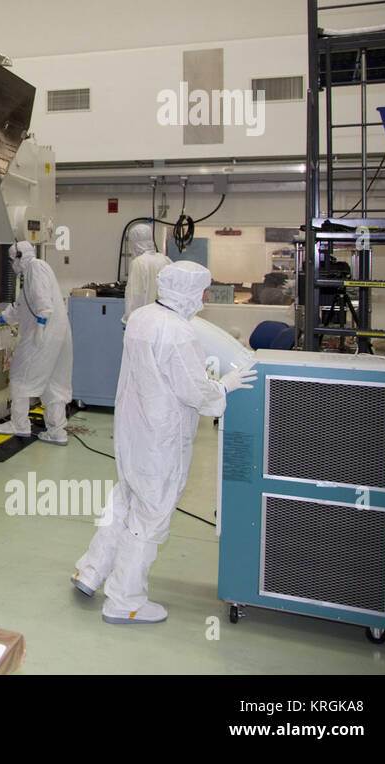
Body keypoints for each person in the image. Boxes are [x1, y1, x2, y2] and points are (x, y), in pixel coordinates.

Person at [72, 261, 256, 623]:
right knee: (151, 516)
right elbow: (194, 390)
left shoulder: (142, 317)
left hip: (132, 430)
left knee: (124, 500)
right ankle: (124, 600)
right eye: (203, 290)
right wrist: (224, 387)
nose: (205, 297)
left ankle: (90, 571)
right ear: (189, 291)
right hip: (161, 437)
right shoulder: (179, 332)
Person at [0, 241, 73, 444]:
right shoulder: (29, 274)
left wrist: (41, 327)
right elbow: (21, 307)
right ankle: (57, 431)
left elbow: (42, 302)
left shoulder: (36, 267)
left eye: (12, 259)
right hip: (59, 335)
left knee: (20, 376)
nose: (11, 264)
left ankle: (19, 424)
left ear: (19, 257)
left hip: (43, 334)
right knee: (54, 383)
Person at [123, 223, 170, 323]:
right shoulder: (165, 260)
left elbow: (134, 298)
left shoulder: (139, 263)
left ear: (134, 243)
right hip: (164, 320)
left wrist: (128, 320)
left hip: (145, 322)